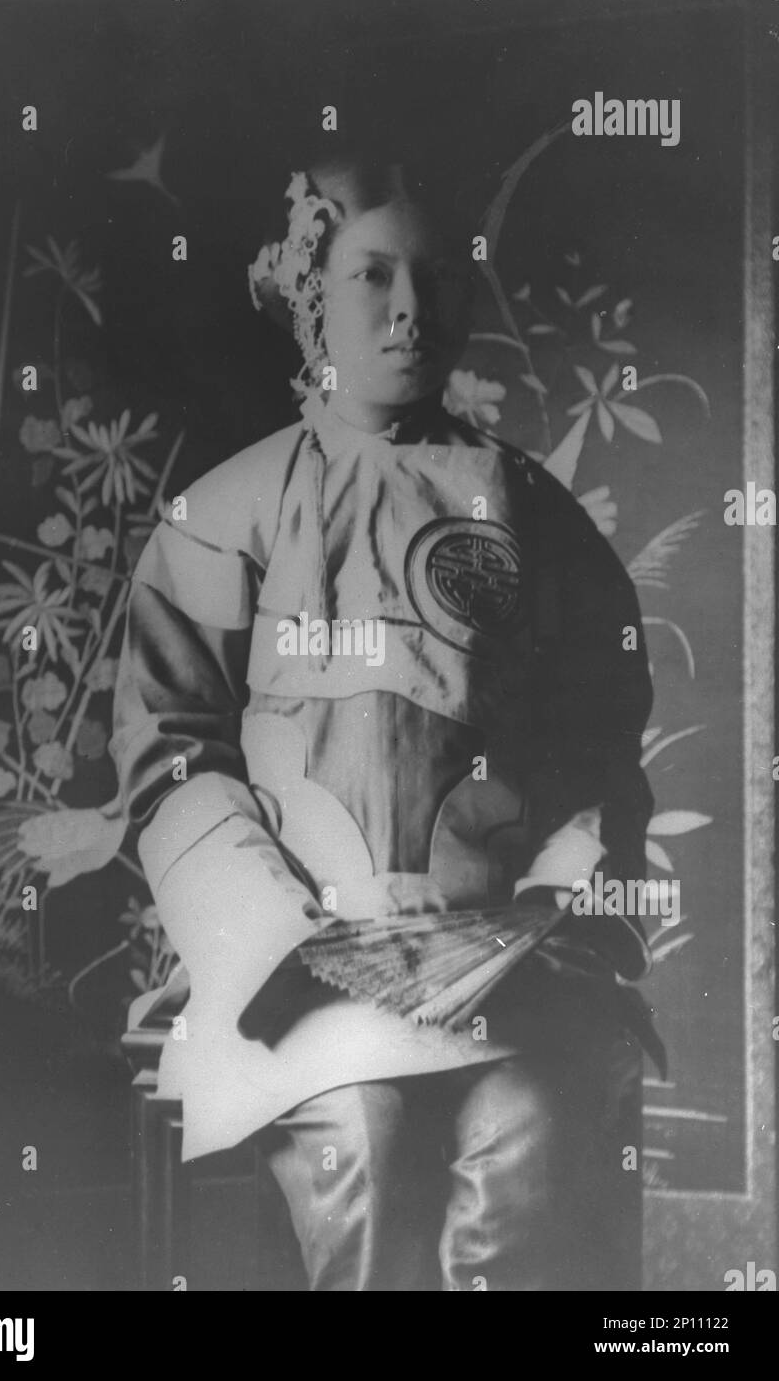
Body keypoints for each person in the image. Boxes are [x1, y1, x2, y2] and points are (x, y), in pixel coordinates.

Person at [111, 152, 664, 1291]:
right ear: (313, 293)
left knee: (525, 1138)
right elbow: (170, 748)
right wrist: (278, 934)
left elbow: (595, 736)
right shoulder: (223, 514)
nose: (409, 306)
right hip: (296, 966)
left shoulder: (533, 517)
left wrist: (547, 901)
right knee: (361, 1137)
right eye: (371, 274)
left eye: (430, 275)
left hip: (494, 967)